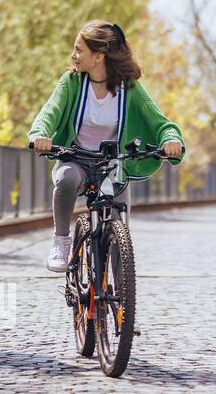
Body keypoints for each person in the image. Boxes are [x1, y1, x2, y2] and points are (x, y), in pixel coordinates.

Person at [28, 20, 185, 273]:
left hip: (112, 166)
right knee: (66, 179)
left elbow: (159, 122)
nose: (73, 55)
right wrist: (40, 134)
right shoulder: (71, 83)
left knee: (119, 237)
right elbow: (50, 112)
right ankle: (61, 241)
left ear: (99, 55)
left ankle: (121, 301)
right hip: (76, 158)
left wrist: (170, 139)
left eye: (79, 49)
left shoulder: (129, 89)